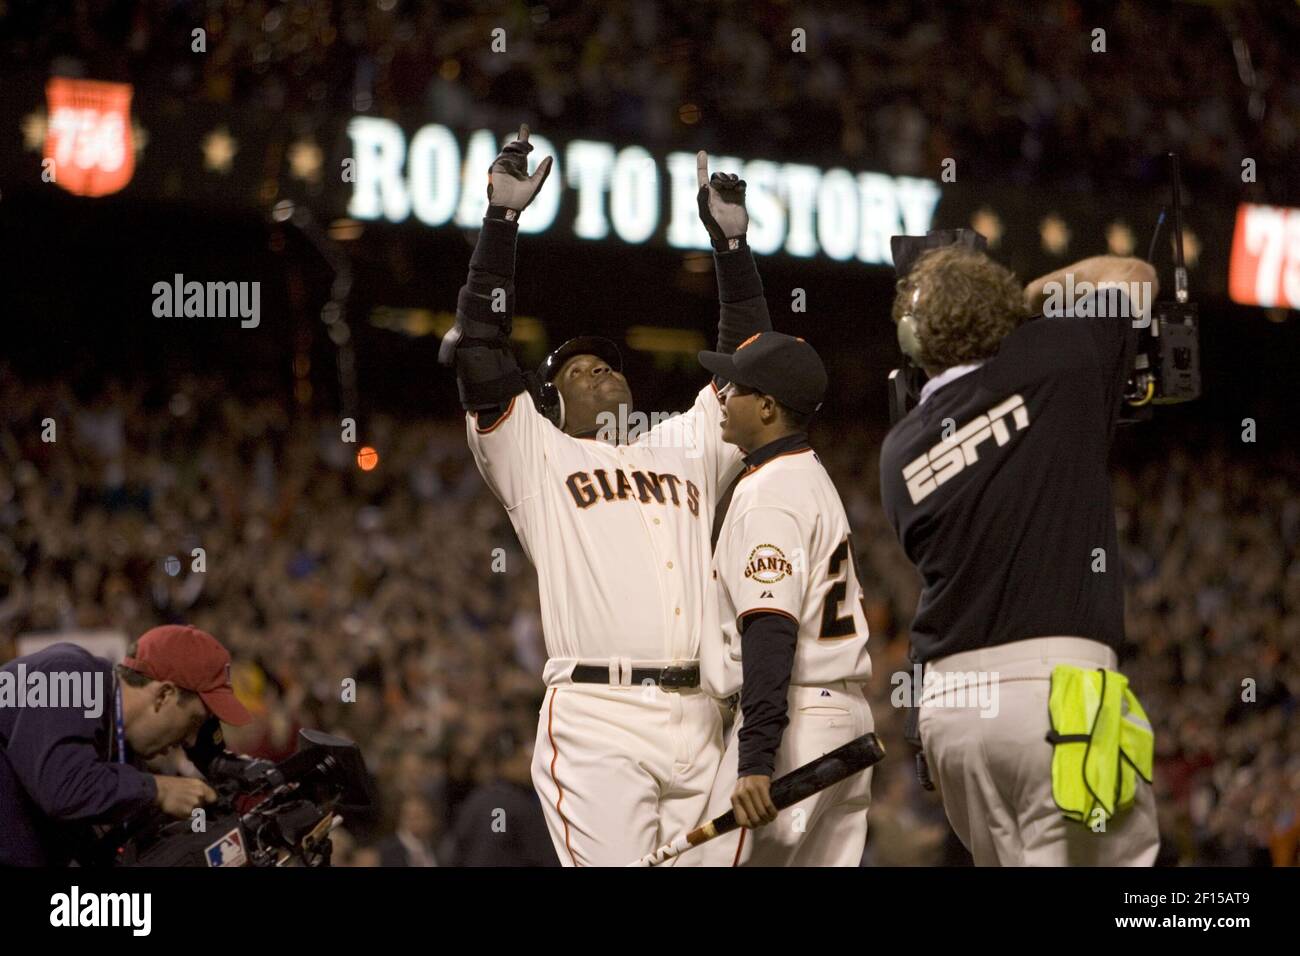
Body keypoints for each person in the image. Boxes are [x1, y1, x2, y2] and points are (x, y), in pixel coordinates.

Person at [440, 125, 771, 866]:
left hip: (701, 718)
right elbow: (482, 350)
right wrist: (501, 222)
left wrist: (732, 247)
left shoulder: (680, 443)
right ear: (548, 402)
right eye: (577, 370)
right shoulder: (537, 452)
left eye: (608, 366)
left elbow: (753, 370)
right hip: (597, 716)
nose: (599, 371)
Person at [878, 242, 1162, 865]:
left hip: (951, 708)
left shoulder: (899, 448)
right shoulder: (1060, 356)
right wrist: (1029, 296)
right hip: (1058, 692)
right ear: (1000, 314)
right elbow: (1132, 276)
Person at [692, 332, 874, 866]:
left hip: (797, 722)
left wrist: (756, 759)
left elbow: (770, 627)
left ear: (767, 407)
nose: (722, 394)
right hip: (845, 722)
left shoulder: (769, 491)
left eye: (737, 387)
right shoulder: (811, 476)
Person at [0, 624, 252, 866]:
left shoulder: (121, 751)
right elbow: (63, 788)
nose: (190, 740)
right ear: (164, 695)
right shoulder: (67, 674)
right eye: (194, 721)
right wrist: (159, 790)